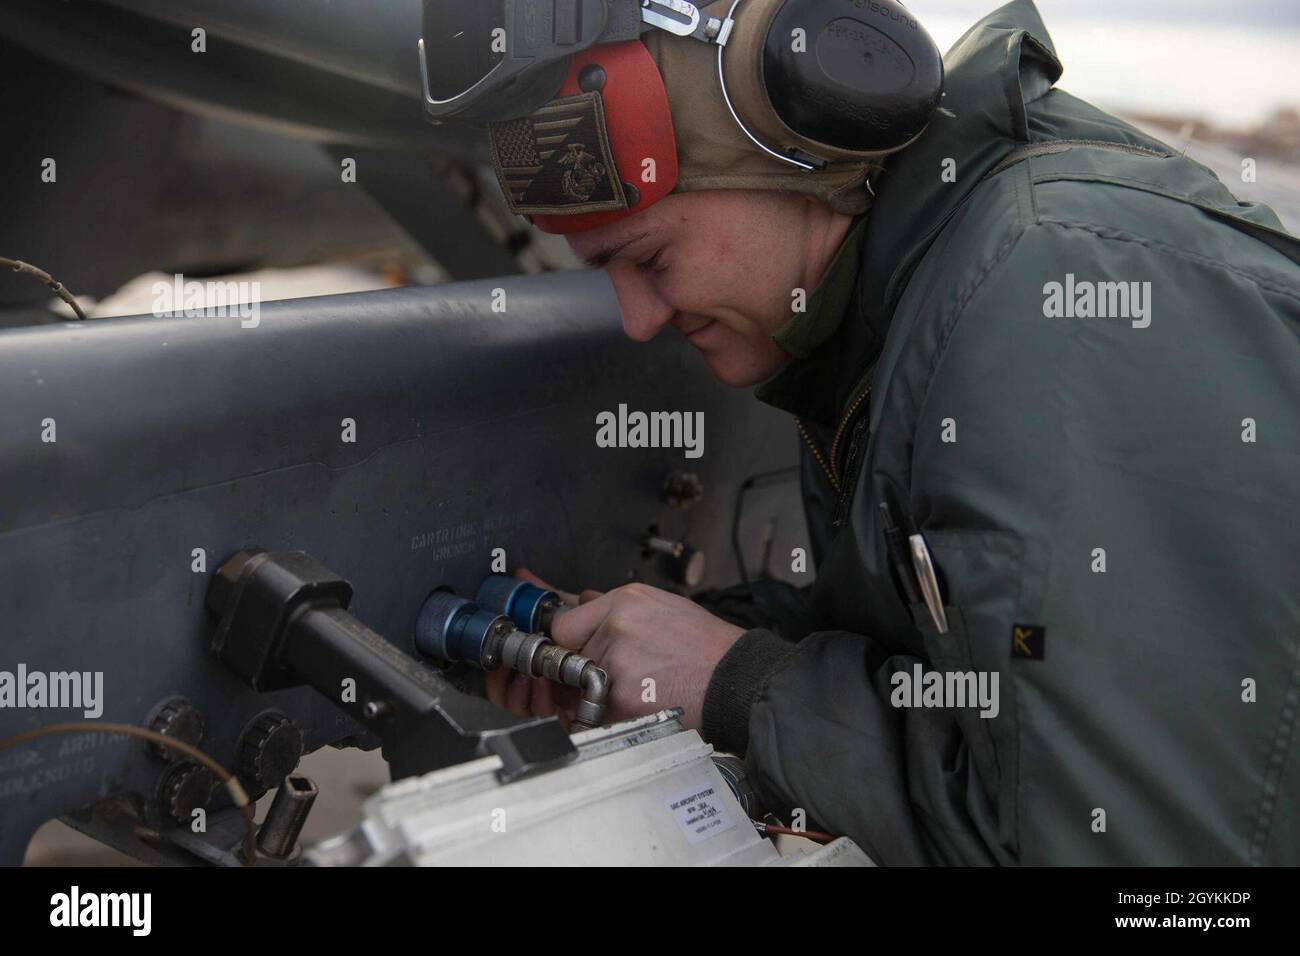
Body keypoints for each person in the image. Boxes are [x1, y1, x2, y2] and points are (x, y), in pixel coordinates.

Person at [465, 0, 1300, 864]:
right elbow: (957, 655)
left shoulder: (1055, 301)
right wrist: (683, 641)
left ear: (785, 139)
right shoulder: (891, 303)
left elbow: (1139, 857)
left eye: (648, 260)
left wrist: (735, 682)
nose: (638, 320)